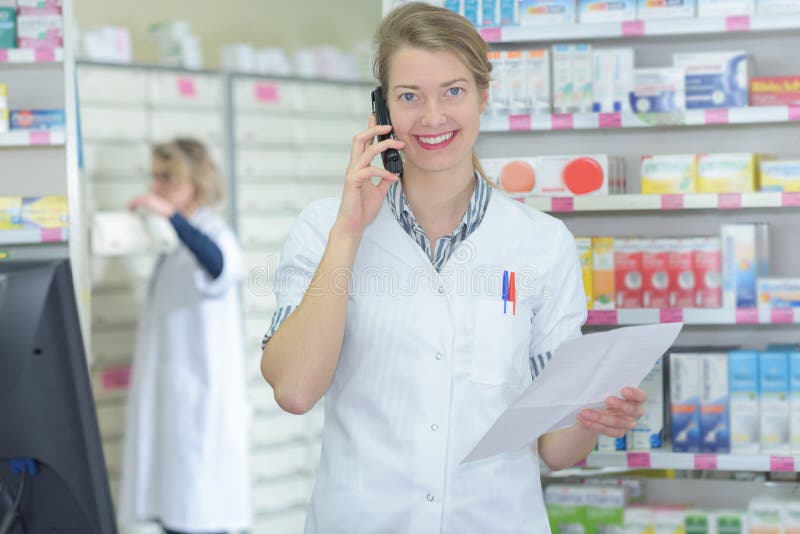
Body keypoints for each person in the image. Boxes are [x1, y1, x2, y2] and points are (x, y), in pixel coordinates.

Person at [260, 3, 646, 532]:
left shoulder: (540, 243)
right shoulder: (324, 228)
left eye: (454, 91)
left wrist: (594, 419)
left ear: (484, 96)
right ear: (381, 110)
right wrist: (349, 232)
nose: (433, 116)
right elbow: (295, 390)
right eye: (409, 96)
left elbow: (557, 450)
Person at [119, 139, 251, 534]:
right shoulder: (173, 243)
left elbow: (219, 263)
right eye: (155, 177)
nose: (156, 185)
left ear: (193, 182)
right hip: (173, 406)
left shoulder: (212, 233)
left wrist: (171, 217)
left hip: (201, 408)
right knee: (175, 513)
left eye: (167, 177)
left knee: (200, 513)